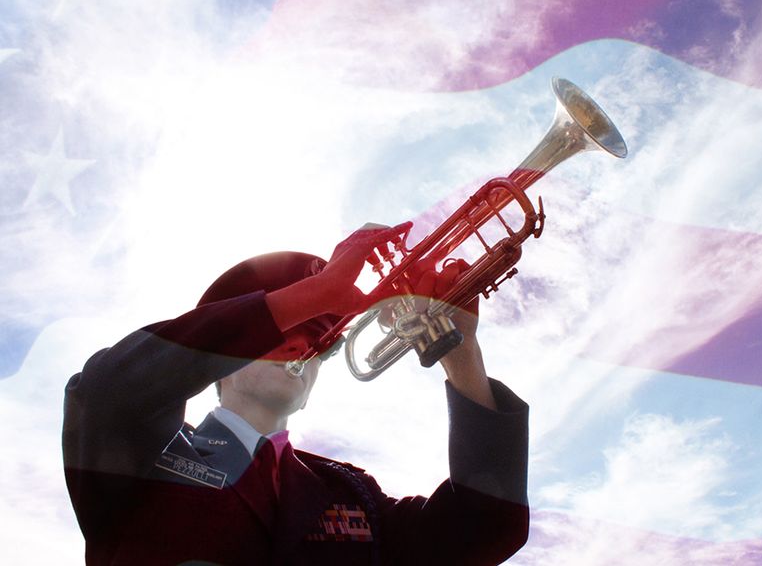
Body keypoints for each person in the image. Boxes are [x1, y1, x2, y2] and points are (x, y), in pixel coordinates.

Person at [62, 223, 530, 565]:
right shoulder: (148, 455)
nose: (304, 343)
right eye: (283, 328)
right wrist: (315, 294)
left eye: (319, 337)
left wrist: (462, 353)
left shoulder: (353, 495)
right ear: (218, 365)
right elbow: (105, 392)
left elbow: (487, 527)